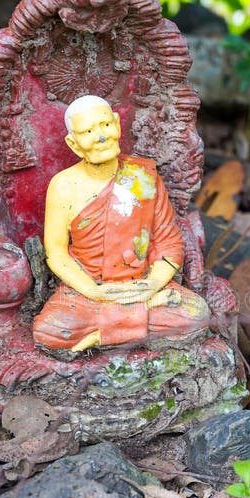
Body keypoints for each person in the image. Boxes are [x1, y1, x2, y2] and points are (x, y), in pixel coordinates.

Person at [32, 95, 210, 352]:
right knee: (48, 330)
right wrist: (93, 291)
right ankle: (134, 324)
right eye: (88, 132)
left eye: (105, 125)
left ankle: (99, 337)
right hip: (88, 293)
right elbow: (56, 253)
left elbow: (168, 243)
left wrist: (152, 285)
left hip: (141, 286)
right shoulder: (63, 186)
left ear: (116, 123)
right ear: (73, 143)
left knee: (196, 313)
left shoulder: (143, 178)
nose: (101, 136)